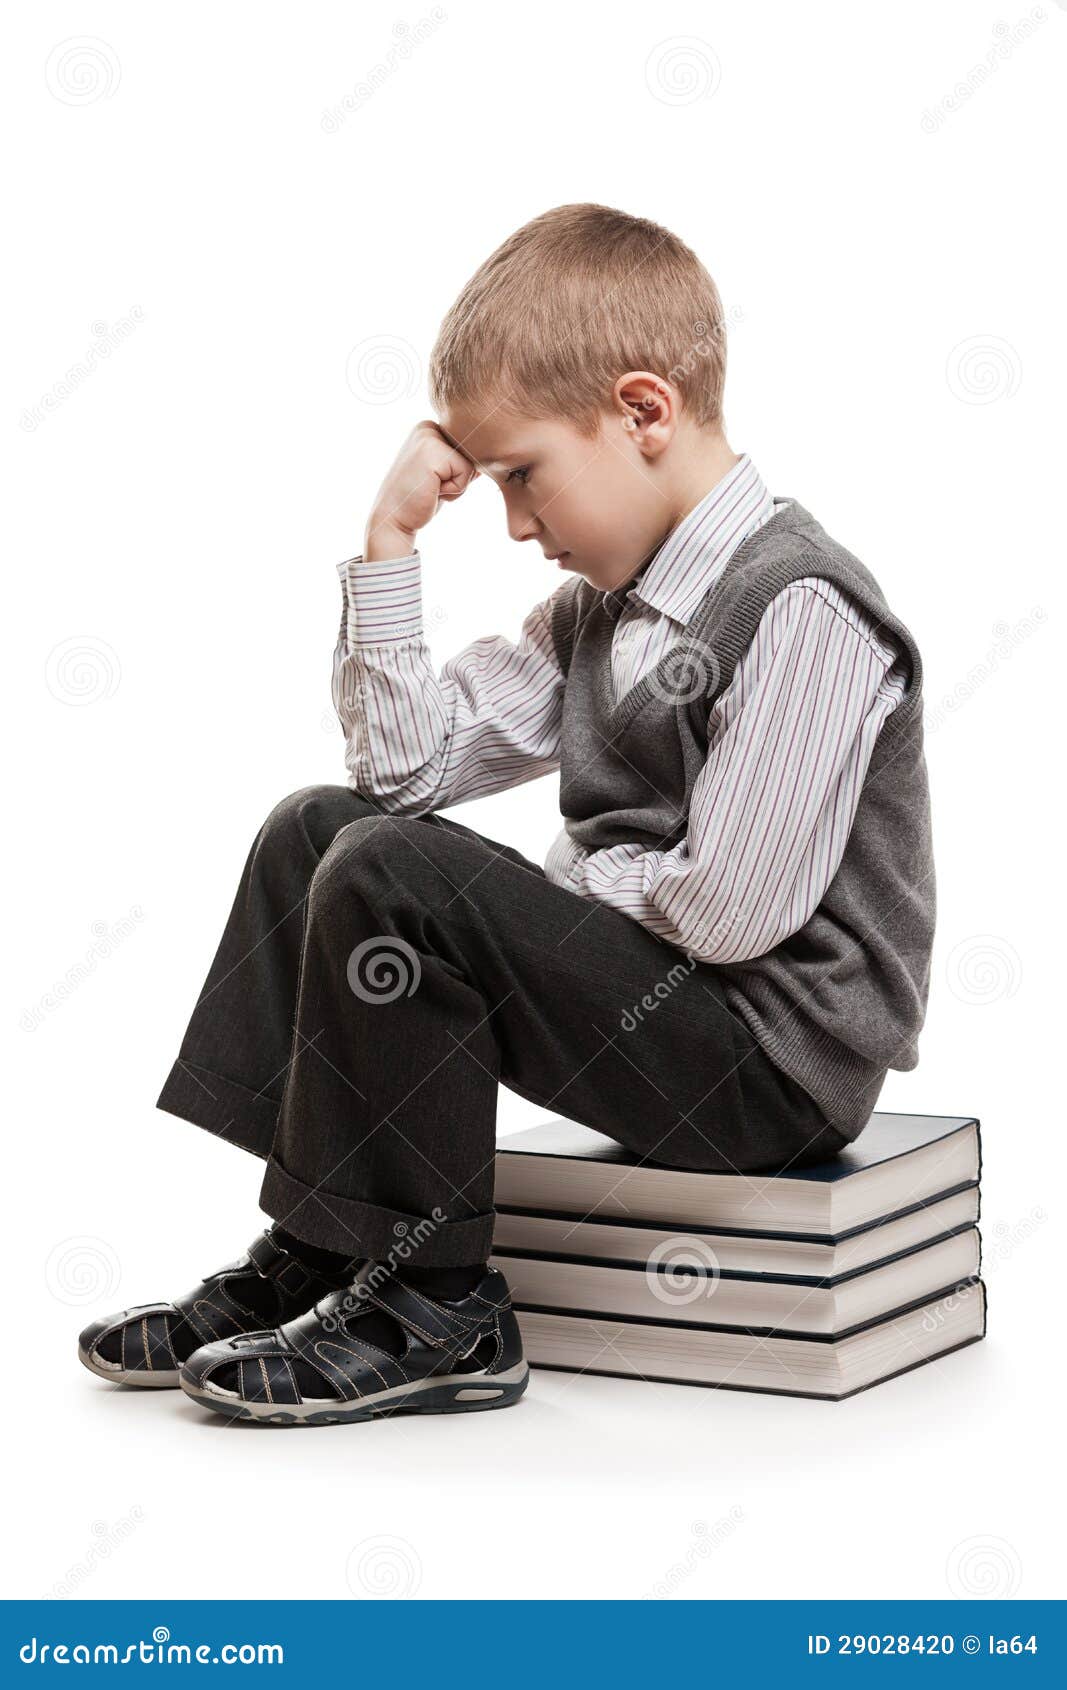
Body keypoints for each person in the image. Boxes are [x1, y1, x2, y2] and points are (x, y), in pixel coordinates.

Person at [78, 202, 935, 1426]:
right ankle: (327, 1254)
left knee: (395, 875)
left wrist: (551, 888)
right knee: (317, 831)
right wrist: (388, 546)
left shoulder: (798, 605)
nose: (519, 525)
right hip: (667, 1000)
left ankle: (437, 1308)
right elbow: (403, 776)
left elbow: (735, 907)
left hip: (765, 1066)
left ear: (642, 412)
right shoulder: (600, 608)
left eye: (523, 477)